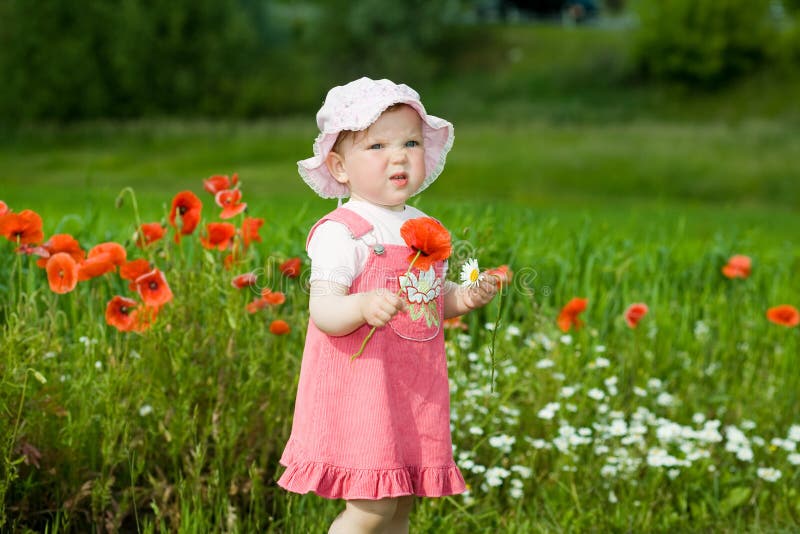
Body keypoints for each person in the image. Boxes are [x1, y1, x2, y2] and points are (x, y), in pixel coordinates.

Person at [277, 77, 498, 534]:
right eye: (377, 145)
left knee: (398, 506)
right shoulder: (343, 231)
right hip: (361, 394)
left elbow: (428, 305)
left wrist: (464, 297)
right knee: (370, 509)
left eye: (410, 142)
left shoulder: (424, 227)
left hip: (411, 391)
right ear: (339, 167)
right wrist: (362, 304)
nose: (398, 156)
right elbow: (325, 313)